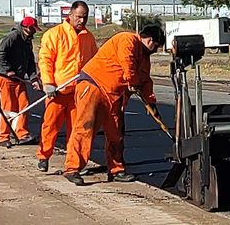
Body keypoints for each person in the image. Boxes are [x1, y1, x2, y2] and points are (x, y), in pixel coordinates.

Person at [64, 25, 164, 185]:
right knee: (85, 128)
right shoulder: (127, 39)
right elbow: (127, 61)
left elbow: (145, 82)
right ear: (150, 40)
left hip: (113, 95)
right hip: (93, 85)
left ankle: (116, 170)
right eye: (157, 46)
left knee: (116, 133)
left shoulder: (145, 59)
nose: (156, 50)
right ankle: (72, 168)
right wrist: (132, 81)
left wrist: (151, 103)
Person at [35, 1, 98, 173]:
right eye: (79, 17)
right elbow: (45, 60)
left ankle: (74, 163)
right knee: (50, 126)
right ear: (70, 15)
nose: (82, 20)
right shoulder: (54, 34)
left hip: (79, 92)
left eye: (85, 17)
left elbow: (94, 62)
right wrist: (47, 83)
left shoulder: (88, 37)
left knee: (77, 130)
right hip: (57, 91)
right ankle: (43, 156)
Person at [0, 16, 40, 148]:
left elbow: (30, 61)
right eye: (33, 29)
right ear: (27, 28)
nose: (35, 32)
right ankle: (4, 137)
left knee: (24, 105)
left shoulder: (27, 41)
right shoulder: (12, 37)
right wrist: (8, 70)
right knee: (8, 108)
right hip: (4, 77)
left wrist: (34, 79)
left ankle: (22, 134)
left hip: (18, 79)